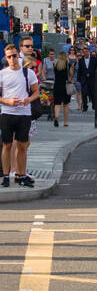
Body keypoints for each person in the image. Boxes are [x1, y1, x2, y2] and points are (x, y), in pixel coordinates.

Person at [0, 41, 40, 186]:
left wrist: (28, 99)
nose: (12, 59)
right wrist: (7, 101)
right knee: (7, 145)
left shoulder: (27, 73)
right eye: (9, 57)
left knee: (22, 145)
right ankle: (6, 175)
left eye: (14, 56)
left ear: (18, 55)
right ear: (6, 58)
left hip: (24, 113)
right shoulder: (2, 74)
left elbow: (36, 92)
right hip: (7, 113)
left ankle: (21, 175)